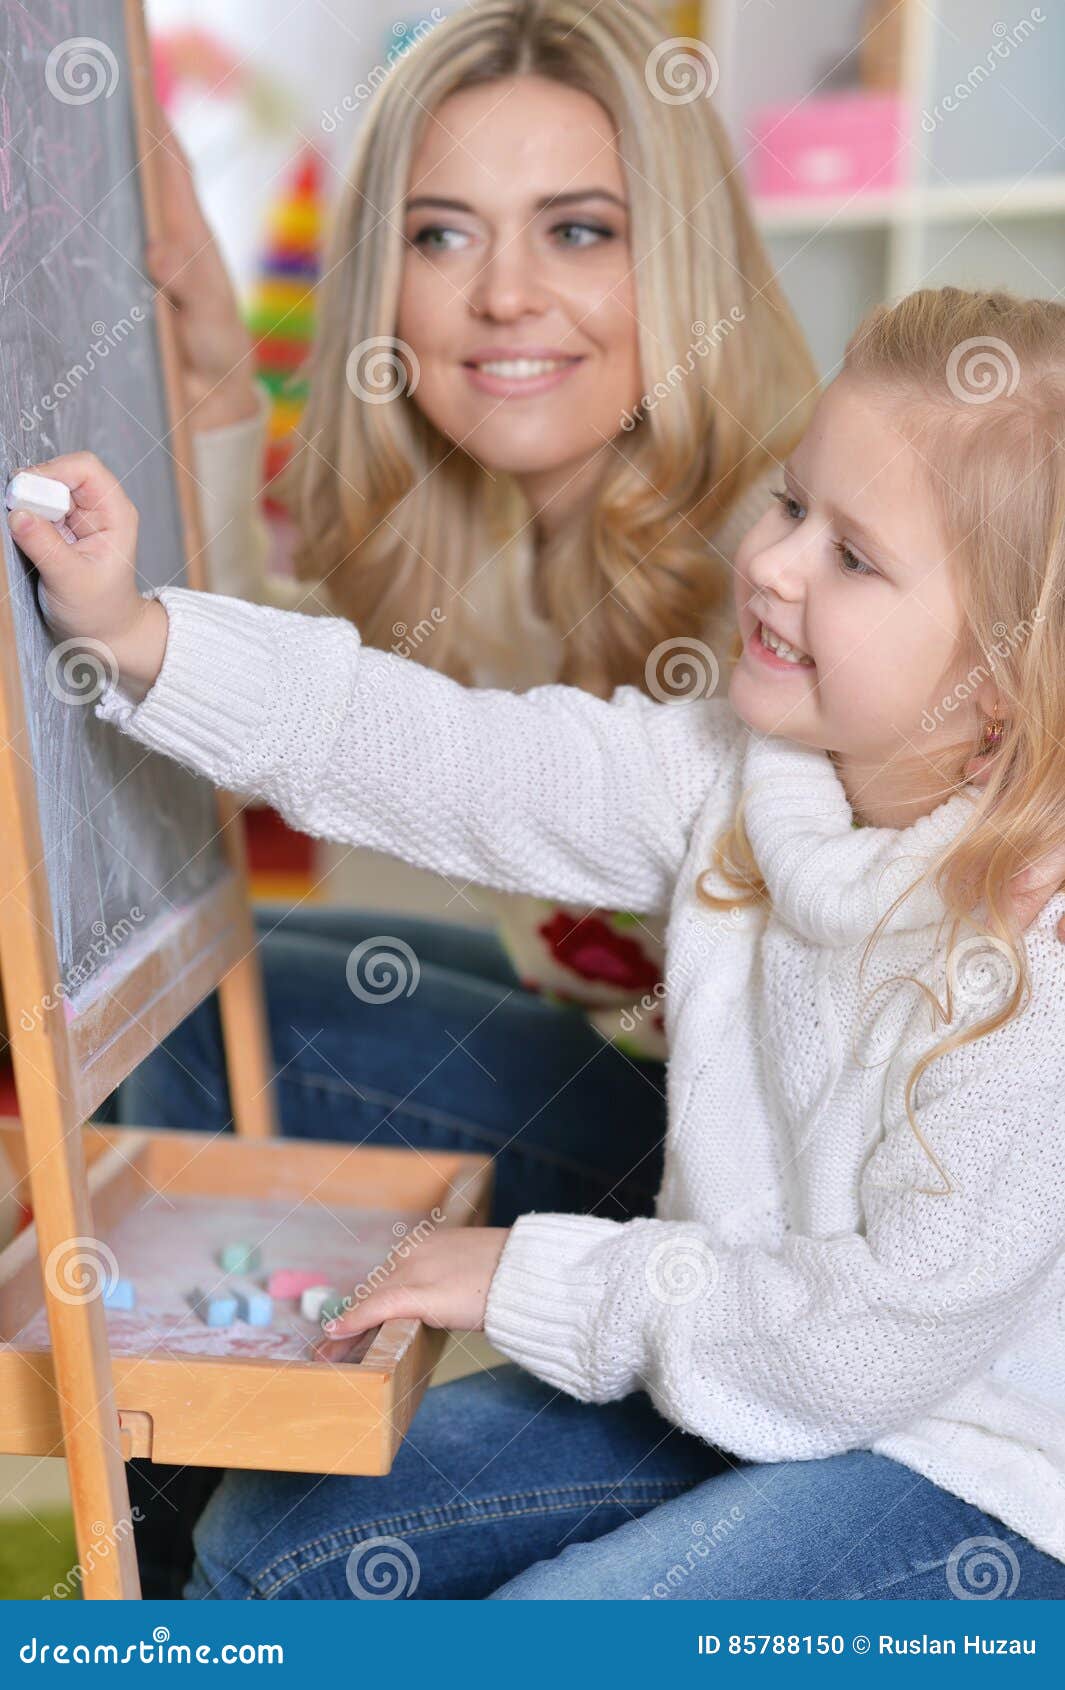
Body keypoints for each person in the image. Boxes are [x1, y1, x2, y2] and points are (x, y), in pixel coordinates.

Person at [15, 284, 1065, 1599]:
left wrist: (527, 1273)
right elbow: (458, 757)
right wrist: (140, 638)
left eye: (853, 557)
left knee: (551, 1631)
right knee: (272, 1544)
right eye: (792, 504)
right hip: (746, 1345)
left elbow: (863, 1345)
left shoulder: (1028, 964)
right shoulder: (742, 772)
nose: (772, 564)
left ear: (1000, 682)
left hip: (973, 1465)